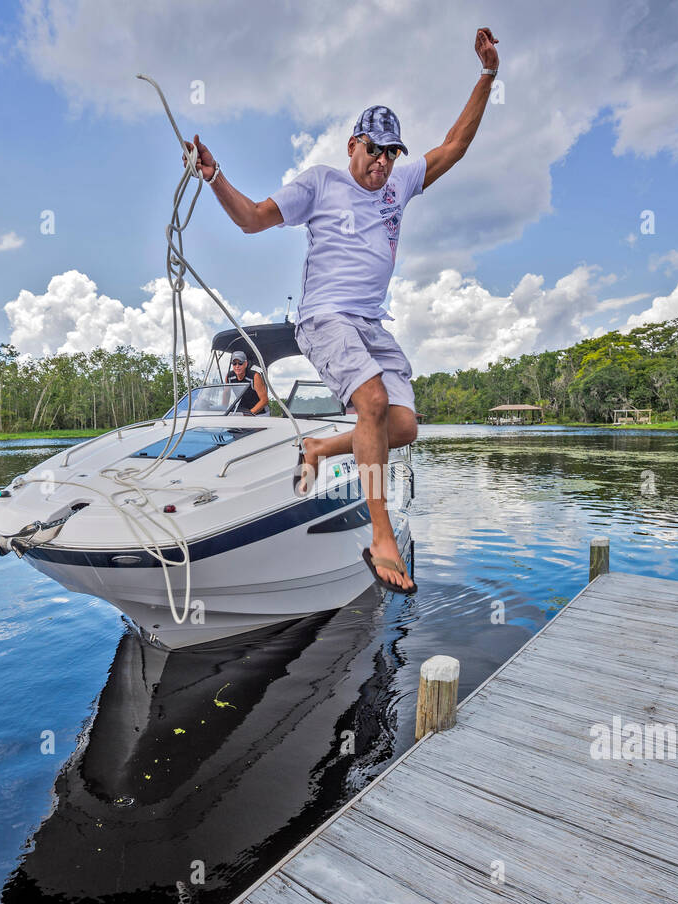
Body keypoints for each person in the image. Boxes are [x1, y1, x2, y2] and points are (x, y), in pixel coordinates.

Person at [184, 27, 501, 593]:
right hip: (324, 319)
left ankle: (320, 446)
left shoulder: (399, 185)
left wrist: (487, 75)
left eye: (391, 152)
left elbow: (454, 144)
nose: (382, 161)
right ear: (353, 144)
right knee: (372, 401)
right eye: (374, 149)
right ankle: (382, 536)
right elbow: (253, 218)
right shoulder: (321, 184)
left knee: (403, 425)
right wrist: (215, 177)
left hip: (371, 324)